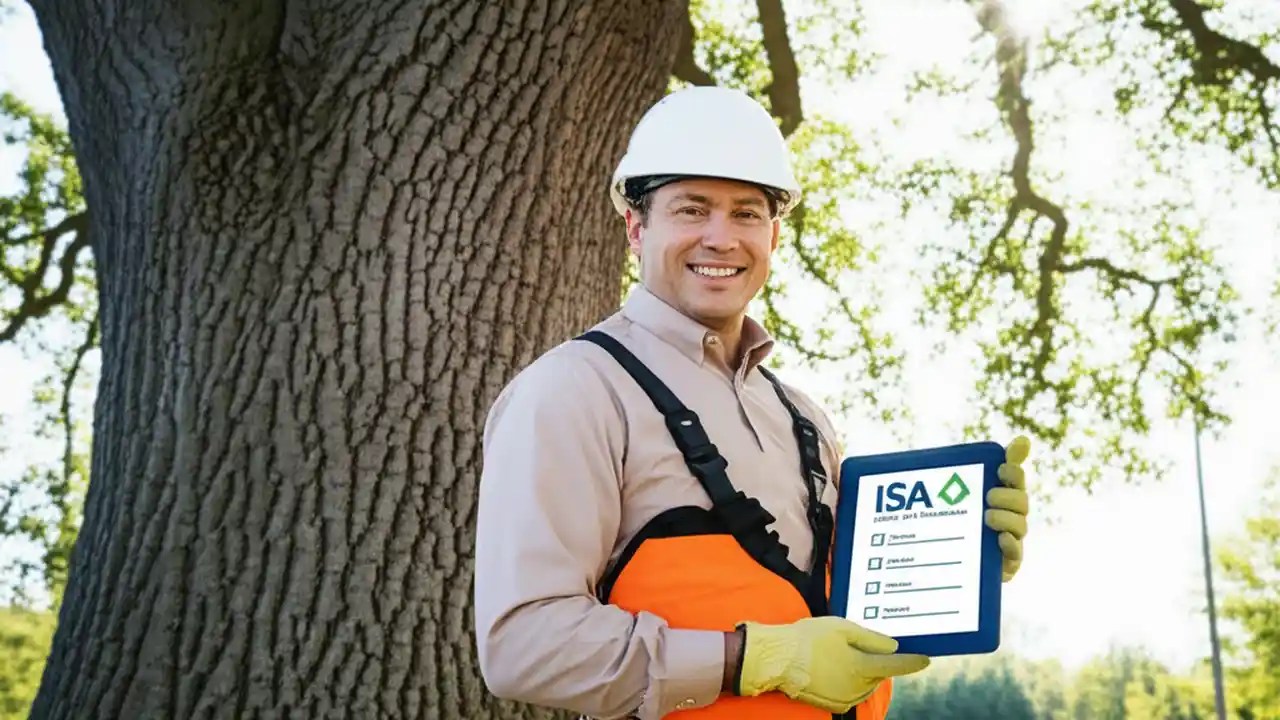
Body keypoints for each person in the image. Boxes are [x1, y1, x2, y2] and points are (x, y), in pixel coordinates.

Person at [473, 86, 1032, 720]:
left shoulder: (804, 417)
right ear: (636, 226)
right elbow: (523, 646)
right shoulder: (575, 391)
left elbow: (848, 603)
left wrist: (964, 559)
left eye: (745, 213)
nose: (721, 238)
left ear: (774, 233)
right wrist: (754, 659)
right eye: (691, 209)